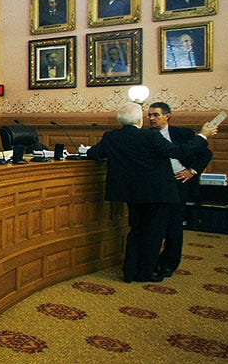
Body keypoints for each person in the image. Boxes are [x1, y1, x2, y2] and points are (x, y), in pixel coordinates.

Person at [86, 102, 218, 283]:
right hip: (158, 193)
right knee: (154, 234)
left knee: (136, 231)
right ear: (140, 120)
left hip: (131, 193)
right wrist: (203, 135)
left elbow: (93, 154)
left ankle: (130, 271)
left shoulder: (111, 137)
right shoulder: (150, 137)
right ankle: (145, 273)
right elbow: (180, 151)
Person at [147, 102, 213, 277]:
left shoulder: (183, 134)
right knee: (154, 225)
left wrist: (192, 171)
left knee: (174, 225)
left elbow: (206, 154)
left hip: (178, 182)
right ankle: (151, 262)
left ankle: (169, 263)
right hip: (155, 185)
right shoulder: (145, 135)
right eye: (150, 115)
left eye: (156, 115)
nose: (152, 119)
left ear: (167, 116)